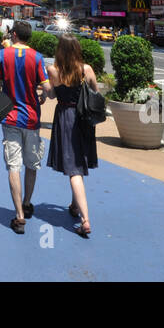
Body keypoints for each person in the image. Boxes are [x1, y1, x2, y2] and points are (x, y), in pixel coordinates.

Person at [0, 22, 51, 234]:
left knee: (13, 166)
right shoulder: (37, 57)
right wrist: (45, 95)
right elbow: (47, 88)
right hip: (32, 119)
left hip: (10, 118)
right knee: (31, 164)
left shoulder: (2, 55)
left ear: (14, 34)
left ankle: (18, 216)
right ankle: (27, 203)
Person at [46, 36, 99, 238]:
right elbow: (95, 92)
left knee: (73, 170)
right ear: (77, 49)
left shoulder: (53, 70)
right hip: (83, 119)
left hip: (65, 117)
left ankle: (85, 219)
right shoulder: (86, 70)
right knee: (78, 161)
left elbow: (52, 95)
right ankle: (75, 206)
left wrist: (47, 92)